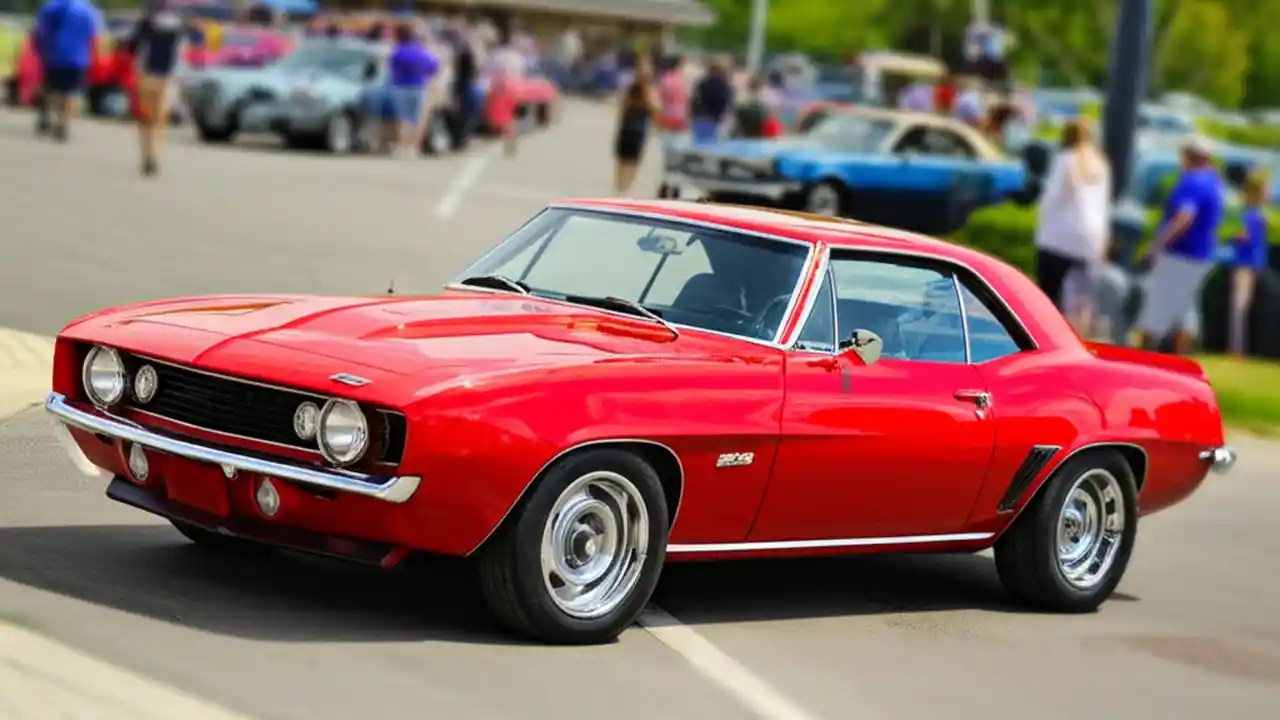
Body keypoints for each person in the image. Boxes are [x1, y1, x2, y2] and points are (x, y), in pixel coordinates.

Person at [1135, 136, 1226, 354]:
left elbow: (1185, 215)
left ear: (1190, 155)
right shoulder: (1213, 181)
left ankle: (1145, 354)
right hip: (1200, 254)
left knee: (1160, 304)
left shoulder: (1193, 181)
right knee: (1185, 308)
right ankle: (1183, 355)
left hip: (1181, 254)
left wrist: (1158, 244)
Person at [1034, 118, 1112, 335]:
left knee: (1050, 294)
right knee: (1081, 298)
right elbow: (1104, 206)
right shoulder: (1101, 165)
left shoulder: (1065, 160)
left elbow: (1051, 198)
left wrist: (1040, 222)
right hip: (1090, 240)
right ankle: (1080, 339)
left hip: (1058, 236)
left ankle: (1048, 336)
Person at [125, 0, 184, 177]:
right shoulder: (178, 25)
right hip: (168, 76)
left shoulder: (146, 23)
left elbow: (132, 47)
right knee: (159, 117)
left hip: (147, 74)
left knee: (145, 117)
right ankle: (155, 152)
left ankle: (147, 153)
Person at [32, 0, 101, 142]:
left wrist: (40, 51)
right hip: (78, 57)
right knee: (71, 91)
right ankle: (63, 123)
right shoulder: (88, 10)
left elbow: (39, 32)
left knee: (53, 89)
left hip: (53, 55)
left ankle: (50, 116)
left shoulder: (50, 7)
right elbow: (94, 36)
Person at [1226, 173, 1269, 356]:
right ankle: (1237, 346)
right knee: (1241, 304)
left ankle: (1237, 346)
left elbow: (1243, 236)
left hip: (1245, 263)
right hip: (1248, 263)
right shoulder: (1256, 215)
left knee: (1240, 304)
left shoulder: (1249, 215)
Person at [387, 23, 438, 158]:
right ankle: (413, 147)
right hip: (418, 86)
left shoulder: (397, 52)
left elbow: (392, 69)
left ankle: (402, 146)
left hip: (400, 87)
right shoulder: (420, 51)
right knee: (417, 118)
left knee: (402, 118)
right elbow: (433, 67)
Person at [613, 59, 656, 195]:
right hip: (638, 131)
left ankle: (619, 188)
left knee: (622, 160)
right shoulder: (649, 92)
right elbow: (656, 109)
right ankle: (625, 189)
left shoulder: (630, 90)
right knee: (632, 162)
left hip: (626, 128)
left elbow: (622, 108)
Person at [487, 33, 523, 156]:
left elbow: (490, 72)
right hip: (514, 88)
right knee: (509, 116)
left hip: (500, 87)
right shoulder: (518, 56)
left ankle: (503, 138)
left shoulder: (497, 55)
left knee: (499, 115)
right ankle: (509, 140)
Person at [690, 56, 733, 145]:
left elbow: (695, 99)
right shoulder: (724, 85)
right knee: (711, 146)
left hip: (700, 117)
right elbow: (726, 102)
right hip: (714, 119)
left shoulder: (702, 83)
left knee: (699, 143)